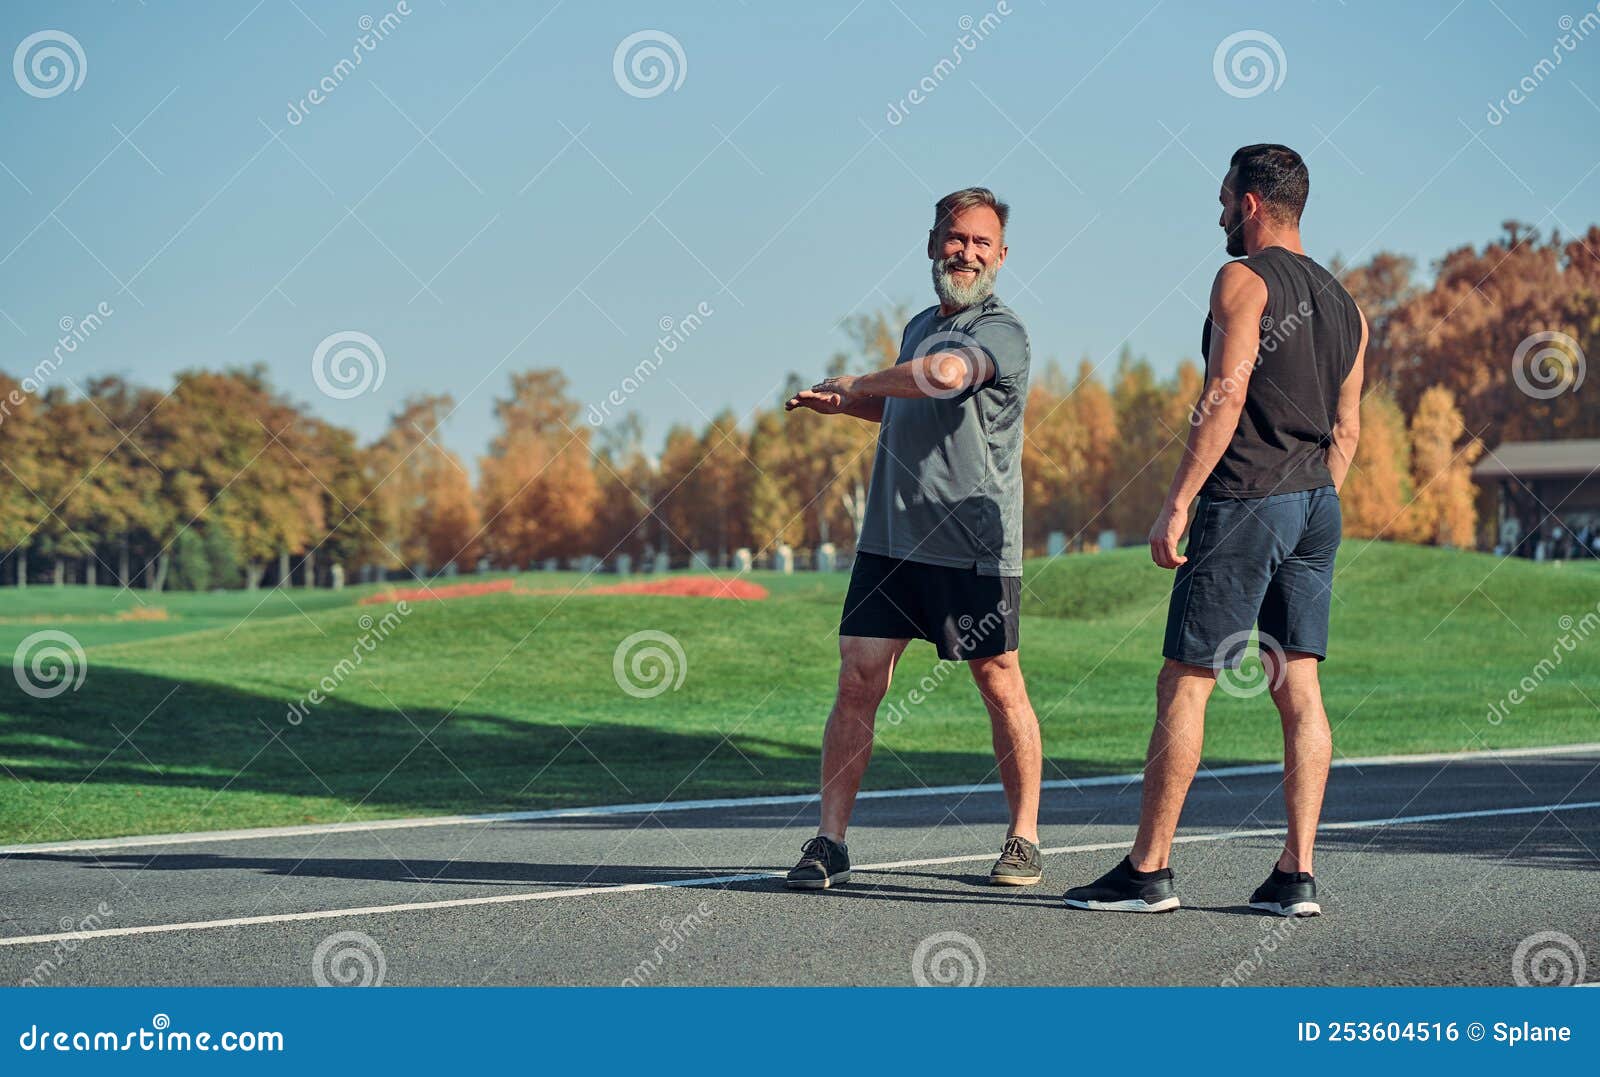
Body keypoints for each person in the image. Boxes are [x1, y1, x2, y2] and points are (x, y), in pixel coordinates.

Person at [1064, 145, 1367, 917]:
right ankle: (1295, 874)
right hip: (1314, 503)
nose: (1220, 213)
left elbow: (1226, 395)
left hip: (1244, 497)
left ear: (1254, 203)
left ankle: (1149, 869)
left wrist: (1176, 501)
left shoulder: (1242, 277)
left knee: (1186, 679)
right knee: (1298, 685)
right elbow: (1349, 428)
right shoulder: (1347, 306)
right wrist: (1310, 501)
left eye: (1226, 197)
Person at [782, 187, 1043, 889]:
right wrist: (848, 401)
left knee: (999, 680)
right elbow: (909, 405)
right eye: (955, 238)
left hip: (971, 544)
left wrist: (862, 376)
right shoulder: (920, 324)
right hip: (891, 541)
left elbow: (945, 377)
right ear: (932, 244)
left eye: (981, 243)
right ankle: (829, 840)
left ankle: (1023, 837)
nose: (966, 252)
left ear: (1002, 256)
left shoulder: (1001, 332)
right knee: (858, 679)